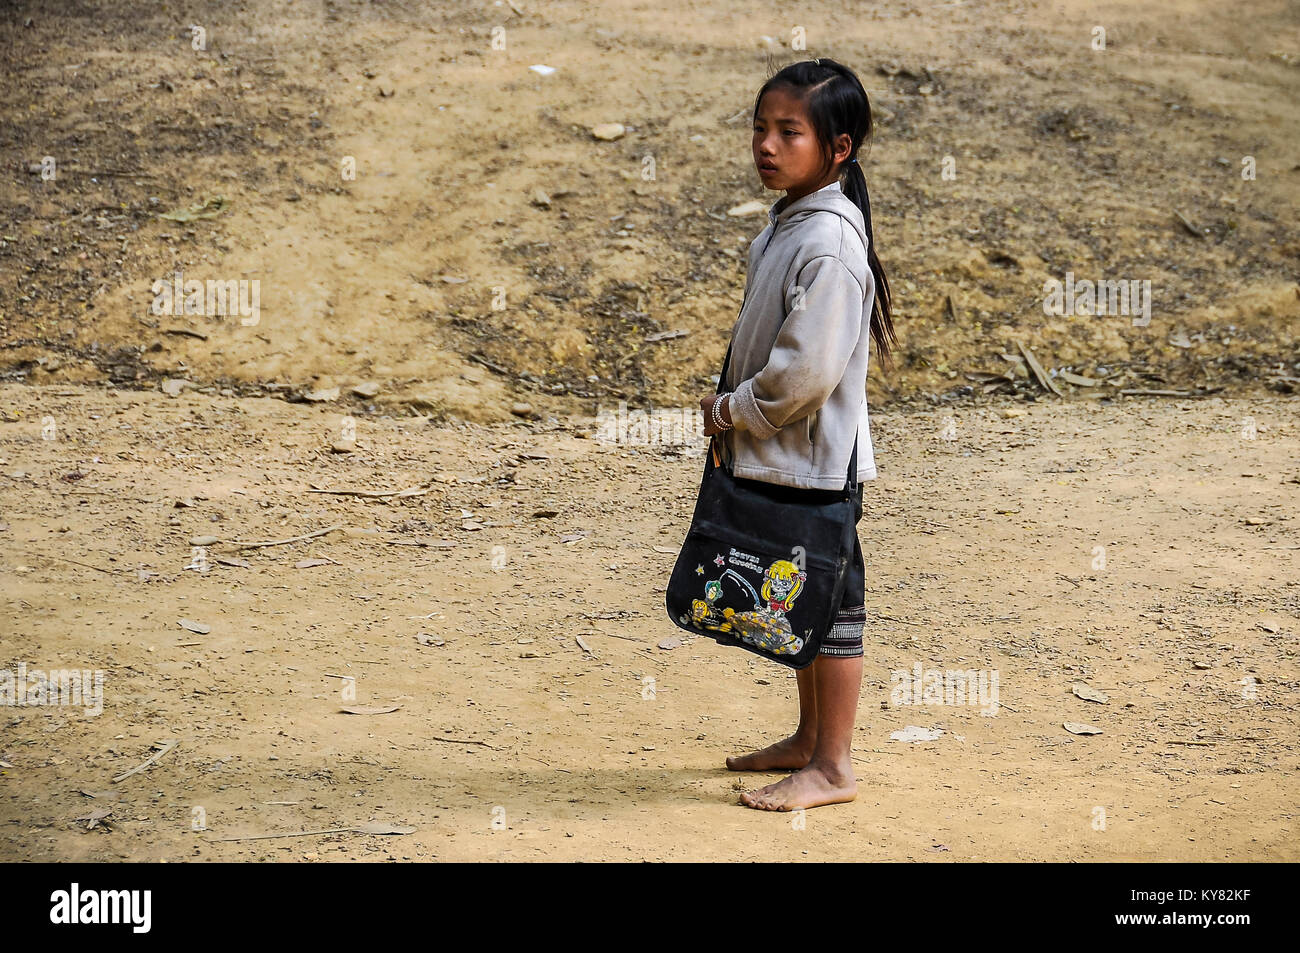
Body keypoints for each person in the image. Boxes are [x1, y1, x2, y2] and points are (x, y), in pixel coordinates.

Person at [699, 58, 897, 811]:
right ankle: (810, 738)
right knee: (802, 599)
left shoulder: (830, 245)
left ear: (837, 149)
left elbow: (803, 376)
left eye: (789, 132)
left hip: (816, 462)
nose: (767, 146)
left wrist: (730, 410)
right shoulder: (792, 223)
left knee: (835, 607)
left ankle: (835, 767)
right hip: (787, 455)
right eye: (760, 128)